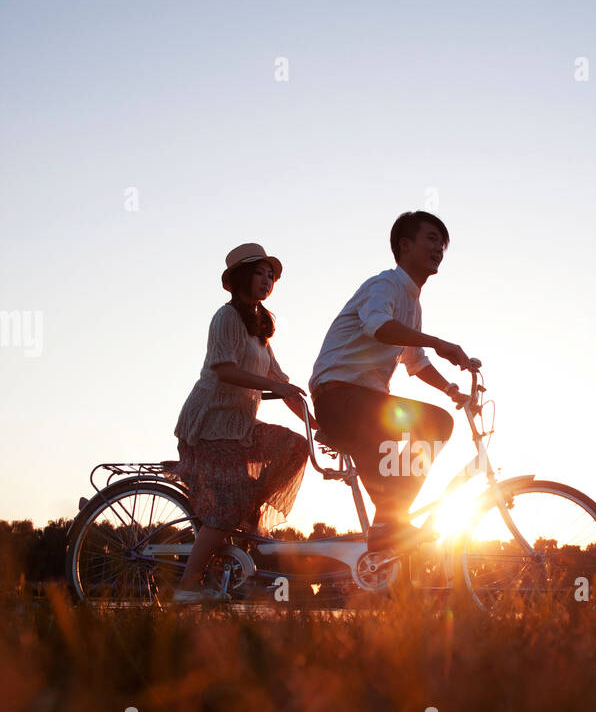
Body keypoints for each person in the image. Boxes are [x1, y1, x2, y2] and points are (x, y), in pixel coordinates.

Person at [309, 211, 474, 554]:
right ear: (404, 245)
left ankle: (387, 548)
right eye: (431, 239)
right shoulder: (385, 284)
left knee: (394, 501)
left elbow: (415, 362)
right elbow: (378, 326)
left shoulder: (413, 304)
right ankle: (388, 521)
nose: (439, 249)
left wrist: (451, 390)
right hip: (341, 396)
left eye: (442, 243)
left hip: (363, 402)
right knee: (436, 422)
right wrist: (438, 341)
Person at [172, 242, 315, 602]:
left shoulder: (259, 329)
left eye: (272, 275)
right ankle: (187, 587)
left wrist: (317, 426)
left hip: (240, 429)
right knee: (223, 511)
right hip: (210, 425)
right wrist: (271, 384)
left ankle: (247, 506)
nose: (268, 280)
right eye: (260, 273)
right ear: (240, 278)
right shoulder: (226, 317)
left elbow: (283, 385)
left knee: (295, 446)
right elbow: (224, 368)